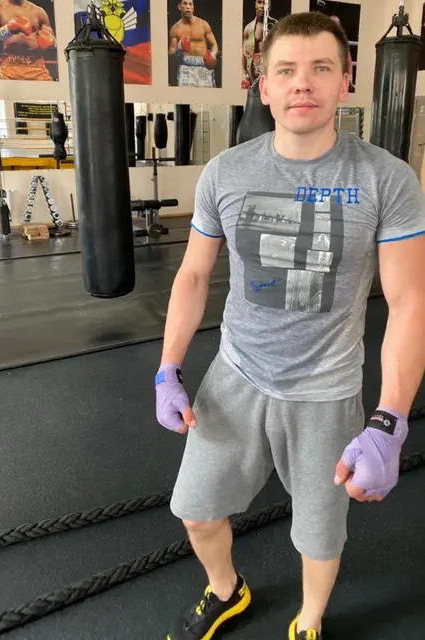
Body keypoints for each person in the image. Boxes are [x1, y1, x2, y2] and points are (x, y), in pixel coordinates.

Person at [156, 11, 425, 640]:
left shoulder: (387, 178)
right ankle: (228, 591)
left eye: (320, 68)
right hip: (237, 376)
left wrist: (390, 418)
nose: (303, 82)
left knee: (319, 536)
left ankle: (310, 619)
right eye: (286, 70)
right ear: (265, 85)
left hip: (326, 390)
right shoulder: (225, 173)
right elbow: (192, 276)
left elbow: (410, 300)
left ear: (345, 81)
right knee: (195, 511)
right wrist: (167, 368)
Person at [0, 0, 56, 82]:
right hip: (10, 69)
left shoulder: (38, 12)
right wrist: (7, 30)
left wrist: (47, 42)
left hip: (38, 69)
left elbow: (52, 42)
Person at [168, 0, 219, 88]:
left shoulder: (203, 24)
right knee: (185, 96)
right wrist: (179, 48)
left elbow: (214, 44)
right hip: (185, 66)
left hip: (204, 64)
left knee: (206, 96)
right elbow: (171, 51)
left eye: (190, 4)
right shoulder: (175, 28)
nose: (188, 7)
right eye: (185, 3)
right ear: (179, 7)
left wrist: (213, 55)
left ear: (193, 7)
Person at [242, 0, 277, 89]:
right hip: (253, 76)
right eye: (259, 2)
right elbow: (244, 54)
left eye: (265, 3)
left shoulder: (277, 27)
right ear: (255, 5)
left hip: (271, 74)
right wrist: (243, 73)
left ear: (269, 6)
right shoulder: (248, 28)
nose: (262, 6)